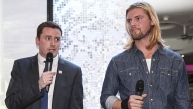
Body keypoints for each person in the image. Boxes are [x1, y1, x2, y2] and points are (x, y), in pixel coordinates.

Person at [100, 2, 190, 109]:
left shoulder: (175, 61)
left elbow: (183, 103)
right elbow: (105, 98)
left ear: (152, 21)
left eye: (138, 18)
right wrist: (125, 104)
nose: (132, 23)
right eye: (129, 20)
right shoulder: (118, 62)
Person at [5, 21, 83, 109]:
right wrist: (38, 86)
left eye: (57, 39)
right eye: (48, 38)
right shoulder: (21, 66)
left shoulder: (73, 71)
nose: (53, 43)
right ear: (37, 40)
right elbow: (11, 103)